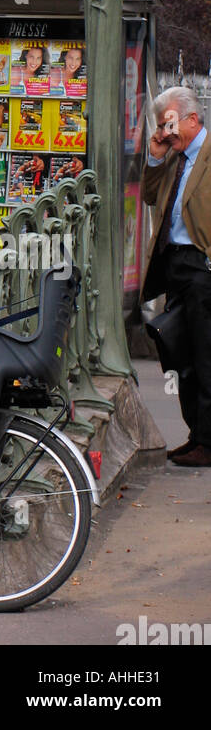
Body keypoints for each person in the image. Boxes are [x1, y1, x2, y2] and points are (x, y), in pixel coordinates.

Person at [140, 86, 211, 468]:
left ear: (192, 119)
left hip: (202, 268)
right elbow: (151, 197)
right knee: (179, 353)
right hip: (174, 266)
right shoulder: (174, 157)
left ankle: (208, 441)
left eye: (169, 122)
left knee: (205, 355)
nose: (166, 131)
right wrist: (155, 157)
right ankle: (197, 434)